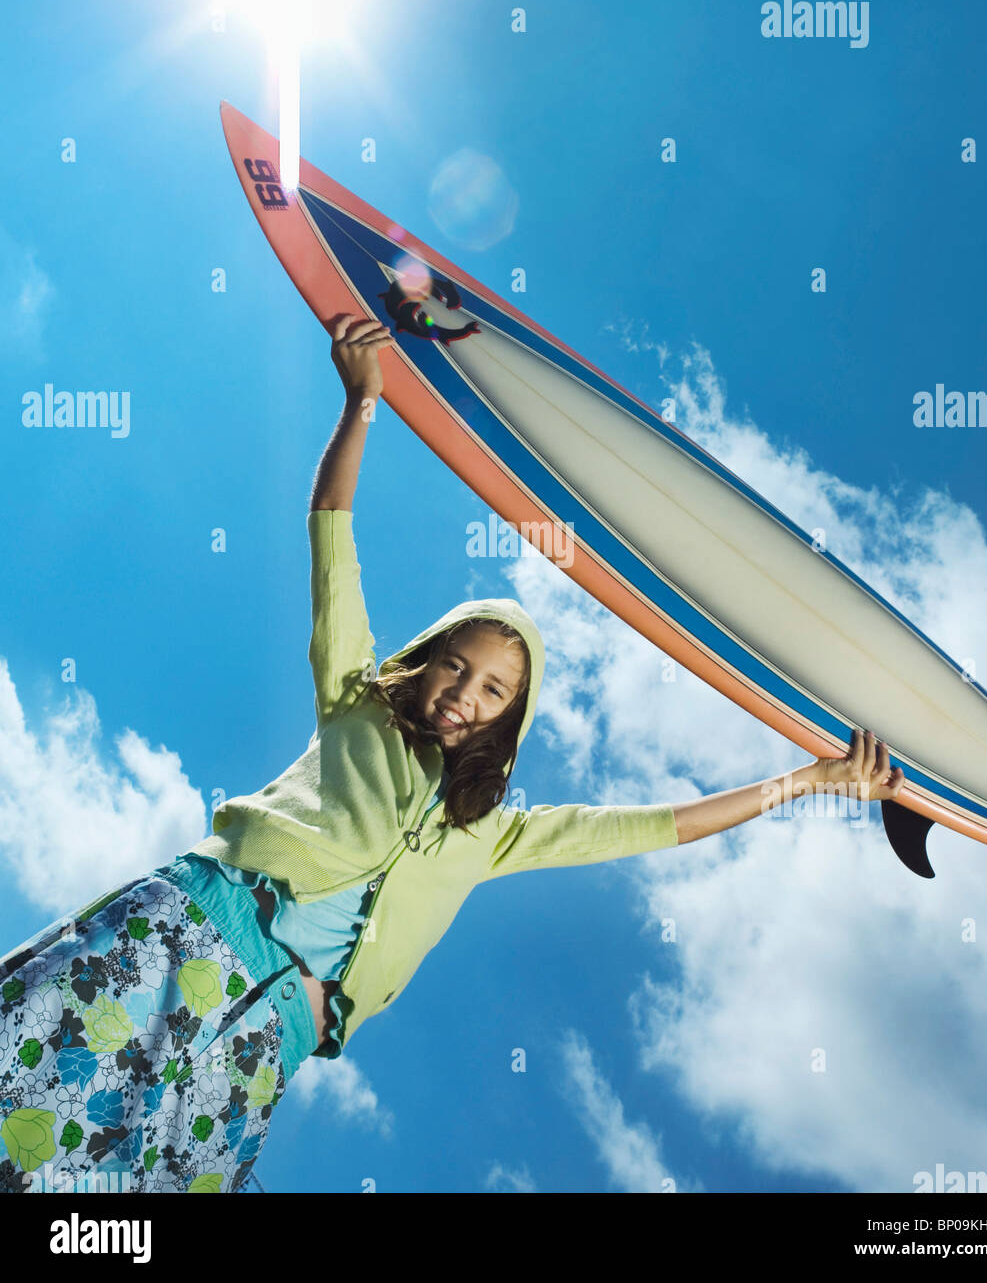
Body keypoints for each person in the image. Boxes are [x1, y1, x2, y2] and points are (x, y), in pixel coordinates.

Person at [0, 316, 905, 1194]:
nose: (463, 693)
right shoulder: (355, 699)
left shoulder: (493, 834)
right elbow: (331, 537)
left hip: (263, 1041)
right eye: (455, 665)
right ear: (424, 660)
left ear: (509, 720)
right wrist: (362, 405)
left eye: (492, 691)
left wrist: (808, 782)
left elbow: (653, 827)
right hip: (185, 935)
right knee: (22, 1089)